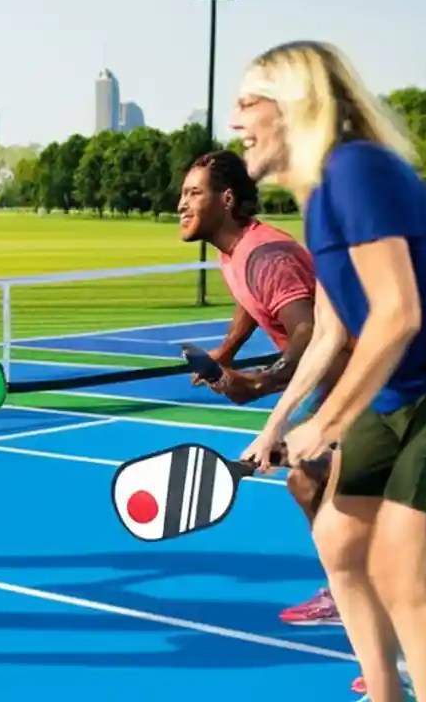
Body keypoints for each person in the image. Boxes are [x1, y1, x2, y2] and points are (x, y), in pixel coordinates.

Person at [235, 40, 426, 702]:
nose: (235, 118)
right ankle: (385, 691)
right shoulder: (321, 200)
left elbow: (397, 314)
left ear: (294, 105)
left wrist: (332, 421)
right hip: (404, 390)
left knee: (402, 573)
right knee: (340, 542)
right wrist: (280, 423)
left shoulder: (357, 172)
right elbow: (333, 332)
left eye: (248, 99)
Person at [178, 149, 347, 627]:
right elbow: (250, 301)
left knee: (338, 497)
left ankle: (365, 597)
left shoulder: (267, 255)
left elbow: (308, 333)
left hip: (366, 387)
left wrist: (260, 383)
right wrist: (226, 354)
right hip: (330, 387)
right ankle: (345, 587)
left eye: (194, 193)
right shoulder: (237, 253)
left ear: (226, 199)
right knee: (306, 482)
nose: (181, 204)